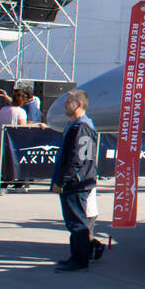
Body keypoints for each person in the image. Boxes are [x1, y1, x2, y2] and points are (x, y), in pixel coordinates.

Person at [50, 89, 99, 272]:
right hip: (76, 181)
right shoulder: (77, 125)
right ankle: (76, 256)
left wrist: (62, 181)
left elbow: (78, 159)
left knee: (77, 222)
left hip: (76, 183)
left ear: (78, 104)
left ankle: (80, 260)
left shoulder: (82, 127)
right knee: (74, 222)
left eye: (68, 101)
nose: (64, 104)